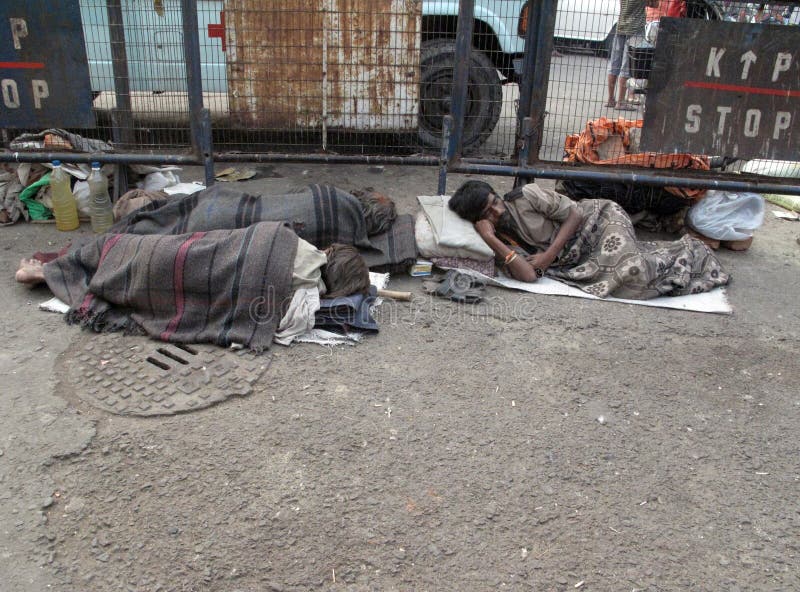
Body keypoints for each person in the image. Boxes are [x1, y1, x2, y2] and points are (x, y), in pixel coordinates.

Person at [15, 224, 371, 351]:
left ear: (329, 253)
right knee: (144, 271)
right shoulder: (308, 290)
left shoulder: (297, 246)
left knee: (131, 249)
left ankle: (51, 270)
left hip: (194, 252)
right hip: (196, 270)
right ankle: (48, 272)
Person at [448, 180, 729, 300]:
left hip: (598, 220)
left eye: (494, 201)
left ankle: (692, 252)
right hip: (577, 257)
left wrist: (548, 255)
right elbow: (529, 276)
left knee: (634, 270)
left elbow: (576, 212)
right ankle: (677, 252)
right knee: (629, 274)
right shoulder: (494, 237)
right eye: (488, 212)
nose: (497, 210)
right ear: (479, 220)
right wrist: (490, 238)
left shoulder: (526, 196)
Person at [607, 0, 660, 111]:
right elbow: (655, 5)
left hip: (621, 26)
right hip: (635, 29)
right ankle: (621, 102)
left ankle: (611, 99)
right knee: (626, 66)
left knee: (614, 64)